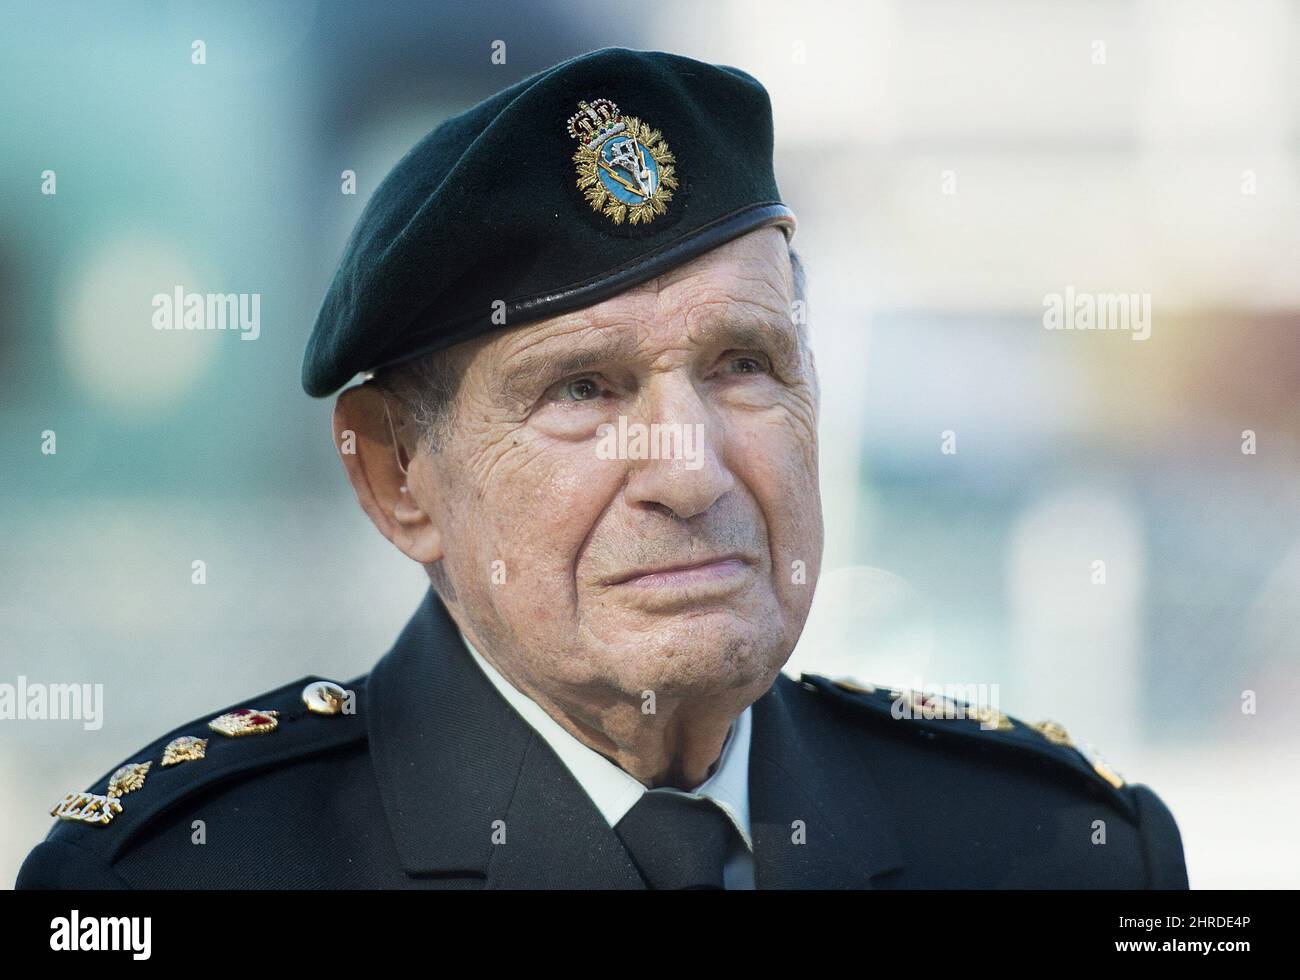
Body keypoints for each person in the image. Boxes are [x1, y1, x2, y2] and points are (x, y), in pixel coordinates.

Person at [17, 47, 1188, 890]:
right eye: (581, 389)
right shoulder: (176, 877)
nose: (688, 472)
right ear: (398, 480)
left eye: (742, 364)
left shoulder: (1056, 849)